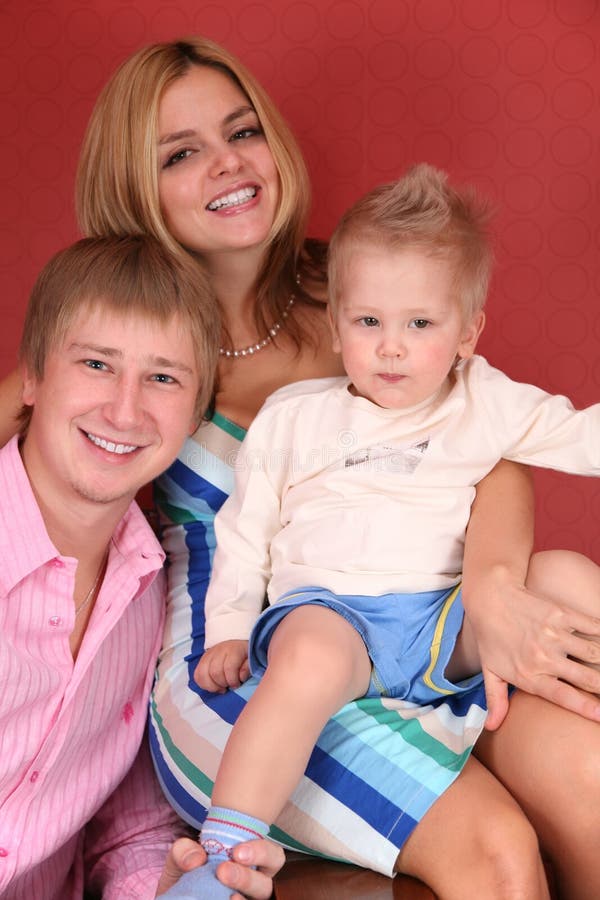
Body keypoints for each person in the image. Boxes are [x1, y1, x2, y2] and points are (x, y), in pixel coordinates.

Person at [0, 34, 598, 898]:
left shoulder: (369, 291)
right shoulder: (131, 345)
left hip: (423, 630)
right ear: (136, 183)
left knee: (588, 774)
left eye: (241, 132)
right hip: (242, 668)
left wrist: (497, 587)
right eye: (181, 152)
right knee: (493, 849)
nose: (226, 165)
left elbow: (489, 444)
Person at [171, 163, 600, 899]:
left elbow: (579, 437)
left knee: (562, 573)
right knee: (303, 663)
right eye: (368, 322)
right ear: (337, 323)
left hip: (446, 622)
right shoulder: (298, 415)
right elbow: (246, 529)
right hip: (338, 621)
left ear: (468, 332)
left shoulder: (485, 400)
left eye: (420, 325)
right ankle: (229, 853)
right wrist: (232, 629)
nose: (391, 347)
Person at [0, 233, 284, 900]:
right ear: (33, 377)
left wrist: (173, 882)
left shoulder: (154, 594)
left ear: (194, 413)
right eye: (97, 364)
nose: (125, 411)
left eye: (162, 378)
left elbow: (125, 831)